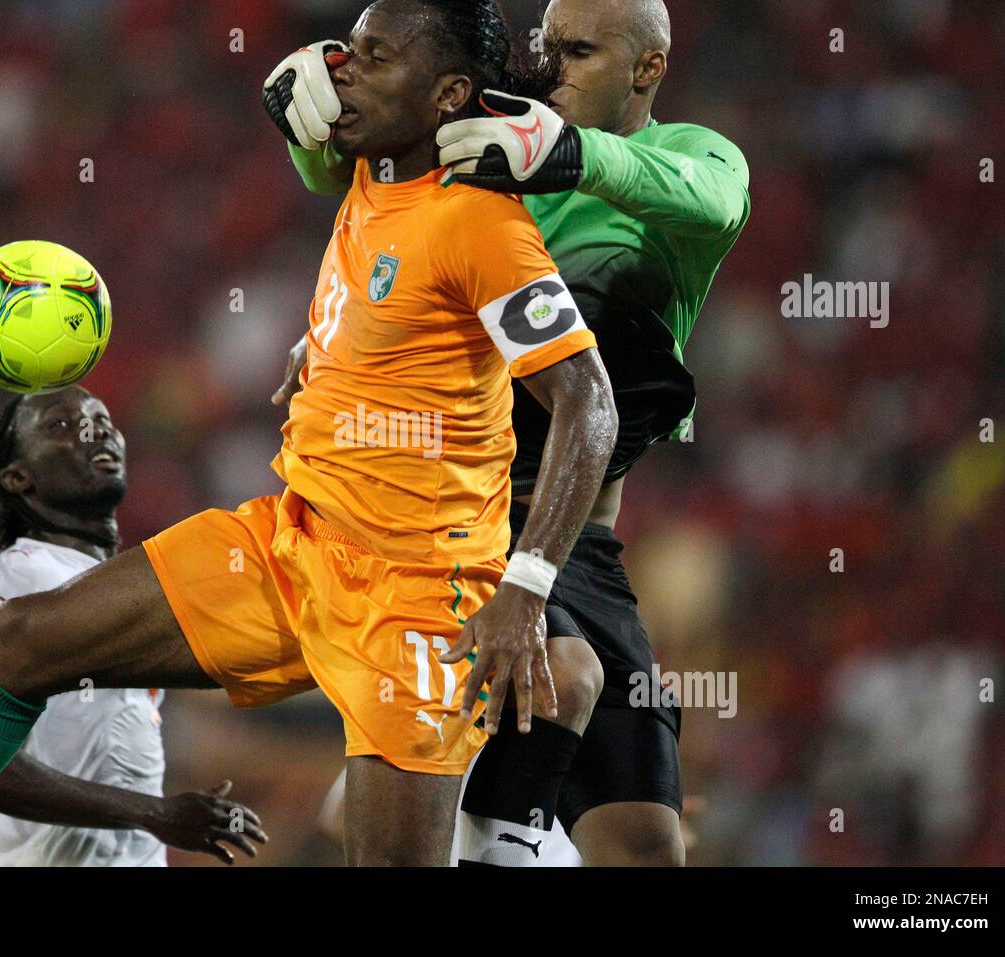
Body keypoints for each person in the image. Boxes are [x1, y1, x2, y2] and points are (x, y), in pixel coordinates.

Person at [0, 0, 615, 868]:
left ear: (450, 94)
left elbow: (588, 404)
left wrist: (525, 587)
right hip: (294, 542)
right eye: (353, 50)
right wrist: (327, 350)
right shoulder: (376, 168)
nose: (346, 71)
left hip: (413, 599)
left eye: (376, 59)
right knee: (17, 643)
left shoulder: (483, 225)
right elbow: (389, 290)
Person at [273, 0, 750, 865]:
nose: (553, 67)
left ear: (646, 70)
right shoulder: (483, 158)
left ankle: (434, 809)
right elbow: (355, 178)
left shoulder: (688, 157)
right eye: (545, 47)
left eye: (580, 51)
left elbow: (715, 203)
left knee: (647, 844)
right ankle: (419, 800)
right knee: (560, 684)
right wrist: (311, 116)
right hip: (464, 526)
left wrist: (569, 157)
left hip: (582, 542)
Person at [0, 387, 266, 866]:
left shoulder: (107, 587)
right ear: (17, 476)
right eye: (61, 427)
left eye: (102, 418)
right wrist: (153, 813)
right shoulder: (21, 577)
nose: (96, 430)